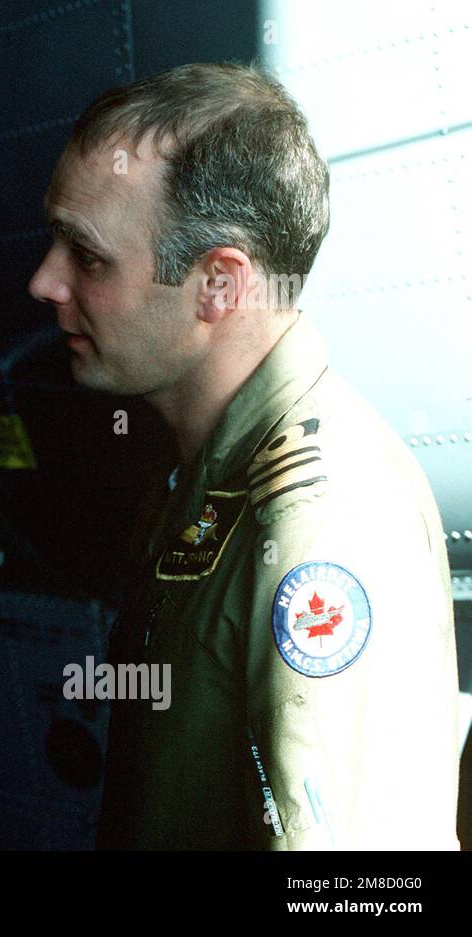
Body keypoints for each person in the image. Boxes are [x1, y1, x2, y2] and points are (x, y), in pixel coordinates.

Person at [28, 62, 461, 849]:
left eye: (87, 258)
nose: (44, 282)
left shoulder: (317, 520)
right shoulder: (207, 477)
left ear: (218, 285)